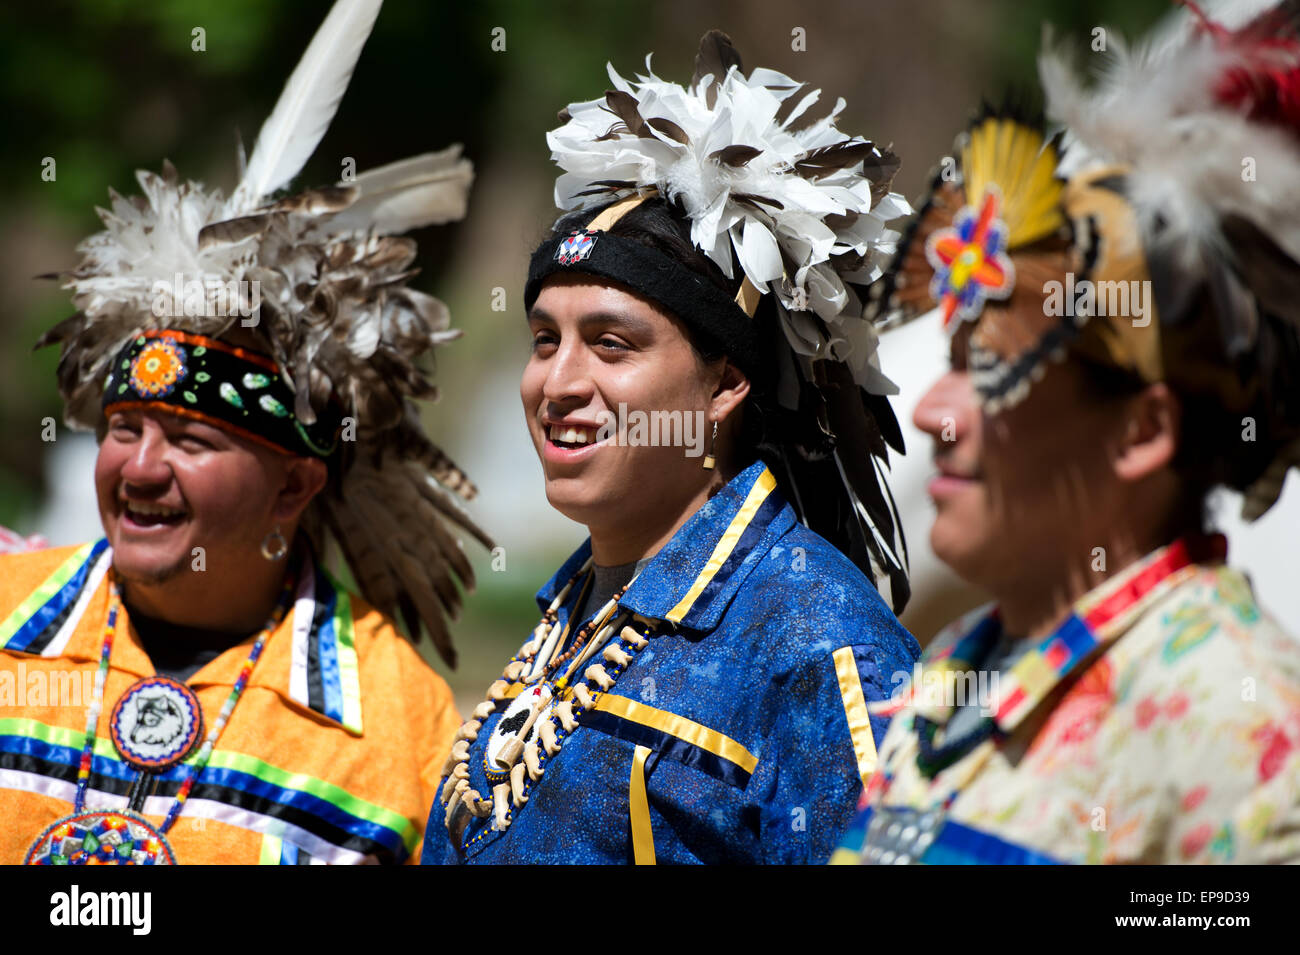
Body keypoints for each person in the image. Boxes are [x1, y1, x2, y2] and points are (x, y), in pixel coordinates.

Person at [4, 0, 487, 865]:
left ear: (297, 485)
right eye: (124, 427)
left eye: (189, 441)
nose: (139, 469)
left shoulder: (402, 725)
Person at [423, 30, 920, 865]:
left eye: (611, 344)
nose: (560, 381)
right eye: (545, 340)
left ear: (726, 386)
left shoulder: (819, 644)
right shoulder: (576, 611)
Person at [834, 3, 1300, 864]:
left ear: (1141, 432)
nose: (933, 411)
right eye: (953, 357)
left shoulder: (1237, 726)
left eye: (992, 368)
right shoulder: (952, 671)